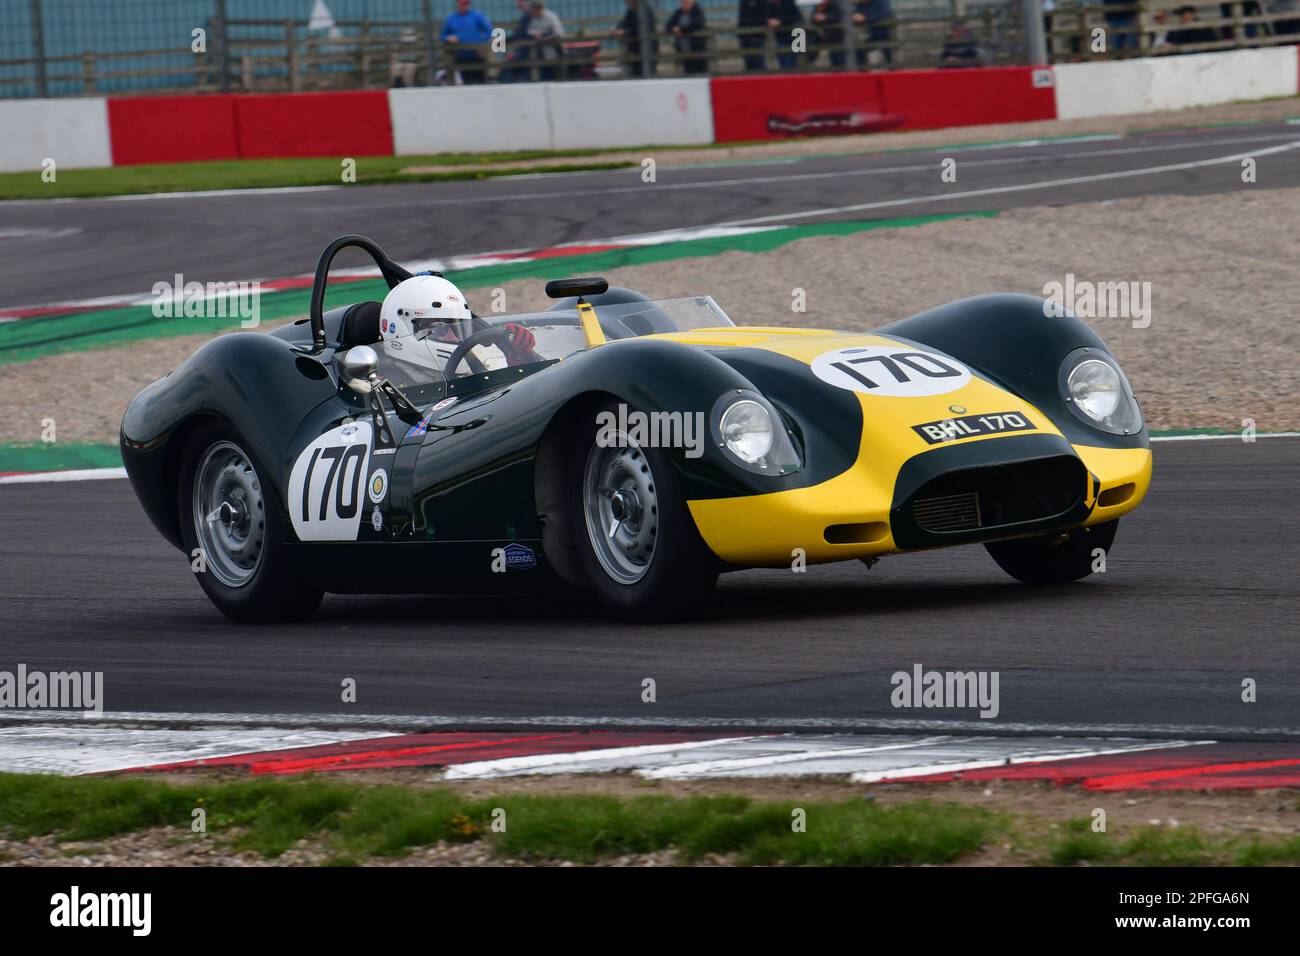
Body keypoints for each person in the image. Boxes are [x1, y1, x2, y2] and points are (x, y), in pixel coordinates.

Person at [380, 275, 537, 374]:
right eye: (438, 329)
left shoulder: (475, 365)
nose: (454, 338)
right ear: (399, 328)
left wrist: (517, 359)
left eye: (458, 328)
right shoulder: (382, 388)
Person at [440, 0, 494, 84]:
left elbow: (488, 31)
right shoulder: (451, 18)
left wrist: (480, 41)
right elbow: (443, 36)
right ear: (458, 4)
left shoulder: (477, 16)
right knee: (466, 78)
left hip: (477, 52)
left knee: (493, 44)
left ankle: (492, 77)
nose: (465, 5)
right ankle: (451, 83)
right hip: (460, 52)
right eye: (462, 3)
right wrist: (448, 38)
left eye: (466, 3)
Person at [615, 0, 659, 76]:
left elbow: (643, 29)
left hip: (649, 48)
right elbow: (624, 23)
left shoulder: (646, 10)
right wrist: (618, 29)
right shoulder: (631, 11)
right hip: (636, 50)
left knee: (648, 73)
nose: (628, 3)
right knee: (636, 73)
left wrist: (625, 32)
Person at [666, 0, 709, 74]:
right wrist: (674, 30)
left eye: (686, 2)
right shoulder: (678, 13)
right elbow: (668, 26)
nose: (684, 3)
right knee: (688, 72)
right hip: (683, 49)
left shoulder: (697, 12)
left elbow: (697, 24)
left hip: (697, 49)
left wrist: (681, 30)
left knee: (700, 71)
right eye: (683, 2)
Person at [526, 0, 565, 80]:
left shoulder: (551, 17)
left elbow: (559, 33)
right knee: (545, 78)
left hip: (556, 54)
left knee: (559, 78)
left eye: (532, 8)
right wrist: (535, 34)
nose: (530, 11)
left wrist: (543, 36)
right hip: (543, 54)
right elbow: (529, 30)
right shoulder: (535, 19)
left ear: (537, 8)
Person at [500, 0, 534, 83]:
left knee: (508, 69)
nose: (518, 4)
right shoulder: (527, 15)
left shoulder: (527, 15)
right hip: (524, 49)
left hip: (527, 50)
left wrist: (504, 40)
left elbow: (522, 34)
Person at [852, 0, 893, 66]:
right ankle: (863, 74)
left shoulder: (881, 2)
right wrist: (854, 17)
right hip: (870, 36)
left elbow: (885, 14)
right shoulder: (860, 4)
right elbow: (856, 15)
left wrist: (865, 18)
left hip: (885, 34)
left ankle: (893, 71)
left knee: (889, 53)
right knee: (859, 51)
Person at [767, 0, 804, 69]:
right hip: (779, 38)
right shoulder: (770, 5)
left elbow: (797, 17)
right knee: (783, 64)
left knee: (791, 64)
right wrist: (770, 21)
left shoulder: (788, 2)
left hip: (793, 39)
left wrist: (780, 21)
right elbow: (767, 18)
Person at [809, 0, 846, 66]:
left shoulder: (835, 3)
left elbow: (839, 16)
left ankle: (840, 69)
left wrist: (825, 17)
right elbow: (813, 17)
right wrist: (816, 17)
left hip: (838, 36)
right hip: (826, 36)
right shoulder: (819, 5)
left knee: (838, 56)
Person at [737, 0, 771, 71]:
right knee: (748, 61)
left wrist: (756, 34)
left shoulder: (762, 2)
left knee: (758, 61)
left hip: (756, 36)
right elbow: (742, 19)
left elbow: (763, 18)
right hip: (744, 36)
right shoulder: (744, 2)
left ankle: (761, 78)